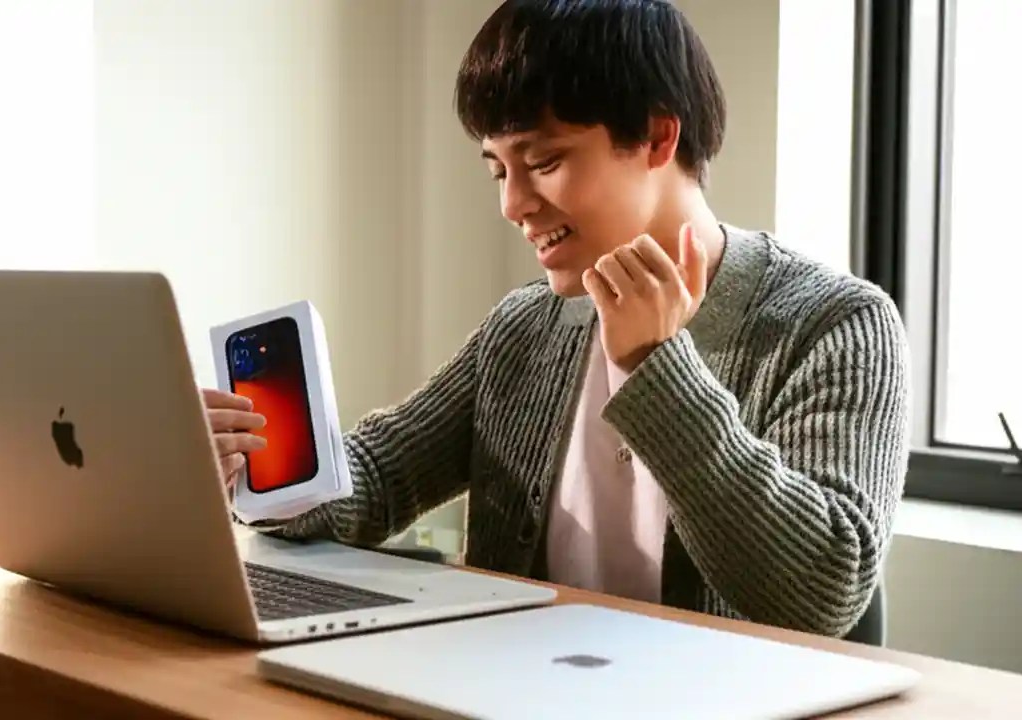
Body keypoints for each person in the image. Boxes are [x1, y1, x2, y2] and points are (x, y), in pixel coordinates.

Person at [203, 0, 910, 639]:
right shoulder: (525, 327)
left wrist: (655, 367)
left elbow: (821, 593)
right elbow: (380, 477)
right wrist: (267, 469)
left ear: (660, 137)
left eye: (542, 161)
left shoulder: (837, 325)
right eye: (497, 170)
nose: (514, 205)